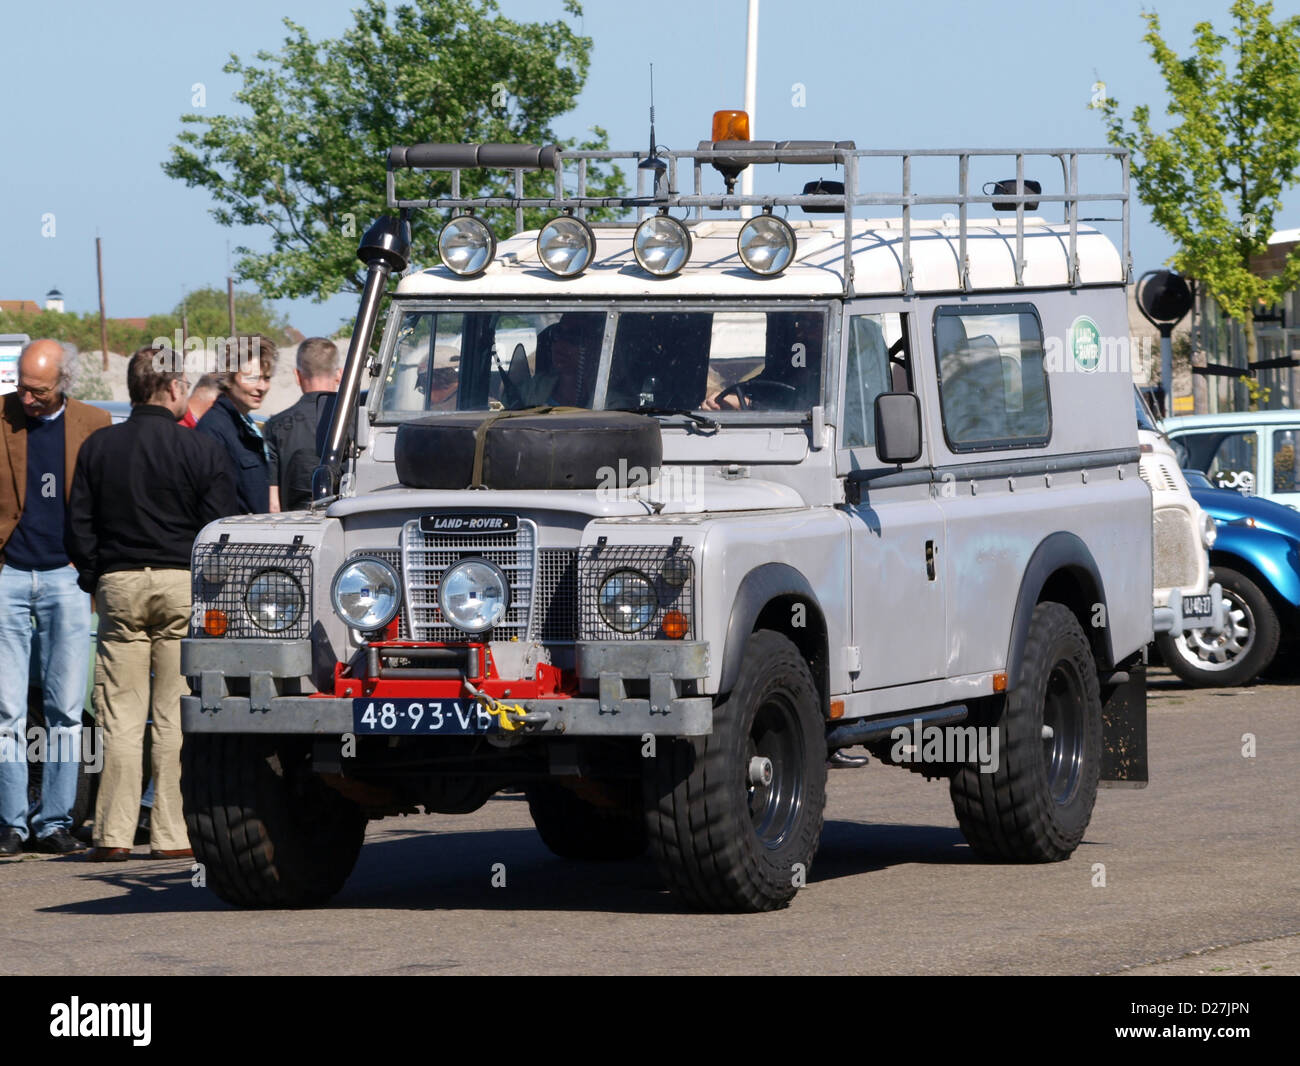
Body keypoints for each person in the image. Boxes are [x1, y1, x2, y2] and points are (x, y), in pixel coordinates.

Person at [66, 347, 238, 861]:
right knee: (173, 715)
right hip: (182, 584)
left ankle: (113, 835)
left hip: (119, 585)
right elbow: (219, 528)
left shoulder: (98, 447)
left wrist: (96, 578)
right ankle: (171, 835)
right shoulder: (200, 448)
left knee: (119, 716)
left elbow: (78, 527)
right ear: (173, 388)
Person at [0, 340, 111, 856]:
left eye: (38, 389)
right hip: (10, 577)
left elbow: (103, 502)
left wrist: (88, 568)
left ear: (63, 382)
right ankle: (11, 824)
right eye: (22, 385)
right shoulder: (2, 416)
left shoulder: (94, 424)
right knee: (7, 710)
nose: (27, 396)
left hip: (67, 581)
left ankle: (54, 822)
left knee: (66, 709)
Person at [196, 334, 276, 513]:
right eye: (253, 378)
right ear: (229, 377)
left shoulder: (248, 426)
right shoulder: (213, 430)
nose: (262, 387)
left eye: (267, 378)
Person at [265, 337, 340, 512]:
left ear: (297, 376)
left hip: (295, 530)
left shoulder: (275, 427)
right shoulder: (359, 422)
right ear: (339, 374)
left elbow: (273, 505)